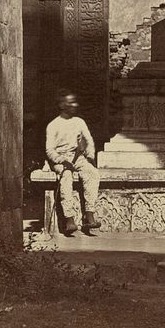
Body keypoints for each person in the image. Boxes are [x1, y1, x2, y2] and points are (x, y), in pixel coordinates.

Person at [45, 91, 101, 236]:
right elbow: (49, 150)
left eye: (75, 102)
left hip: (78, 157)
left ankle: (89, 215)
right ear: (62, 105)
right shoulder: (53, 125)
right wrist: (62, 161)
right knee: (66, 176)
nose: (75, 105)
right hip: (60, 159)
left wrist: (90, 157)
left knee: (92, 173)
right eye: (71, 103)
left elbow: (89, 141)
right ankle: (69, 219)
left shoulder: (79, 122)